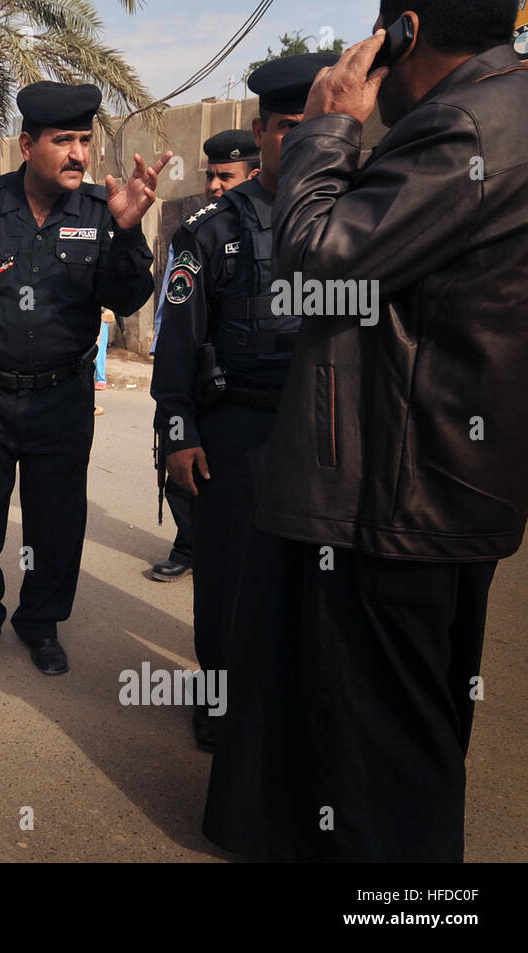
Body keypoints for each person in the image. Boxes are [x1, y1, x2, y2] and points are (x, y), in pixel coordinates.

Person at [207, 0, 528, 862]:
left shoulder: (464, 127)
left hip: (400, 503)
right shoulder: (504, 109)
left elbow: (315, 264)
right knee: (397, 749)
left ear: (407, 32)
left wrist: (325, 132)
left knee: (390, 780)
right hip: (445, 489)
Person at [0, 81, 167, 676]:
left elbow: (128, 299)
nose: (79, 153)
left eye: (85, 140)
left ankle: (41, 622)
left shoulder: (101, 214)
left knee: (56, 522)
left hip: (62, 399)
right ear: (28, 145)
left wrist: (130, 234)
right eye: (64, 141)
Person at [150, 56, 335, 751]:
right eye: (290, 127)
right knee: (229, 578)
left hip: (321, 432)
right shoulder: (213, 229)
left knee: (315, 579)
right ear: (260, 131)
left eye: (317, 125)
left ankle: (291, 699)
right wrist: (179, 433)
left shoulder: (355, 218)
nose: (304, 139)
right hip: (238, 430)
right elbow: (176, 348)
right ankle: (218, 699)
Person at [149, 130, 259, 584]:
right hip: (188, 366)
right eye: (211, 175)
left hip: (234, 384)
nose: (214, 185)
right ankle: (187, 542)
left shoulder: (272, 229)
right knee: (174, 457)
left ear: (254, 174)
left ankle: (205, 544)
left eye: (225, 176)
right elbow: (175, 304)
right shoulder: (202, 228)